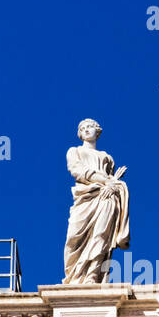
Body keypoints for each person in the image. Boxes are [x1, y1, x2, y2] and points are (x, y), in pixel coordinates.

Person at [62, 119, 130, 284]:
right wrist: (107, 180)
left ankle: (93, 275)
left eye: (89, 127)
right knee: (73, 237)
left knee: (101, 235)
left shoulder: (106, 157)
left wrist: (113, 185)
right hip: (85, 196)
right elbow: (77, 170)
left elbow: (112, 179)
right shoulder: (74, 151)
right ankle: (74, 276)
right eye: (82, 128)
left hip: (106, 196)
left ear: (97, 131)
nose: (86, 130)